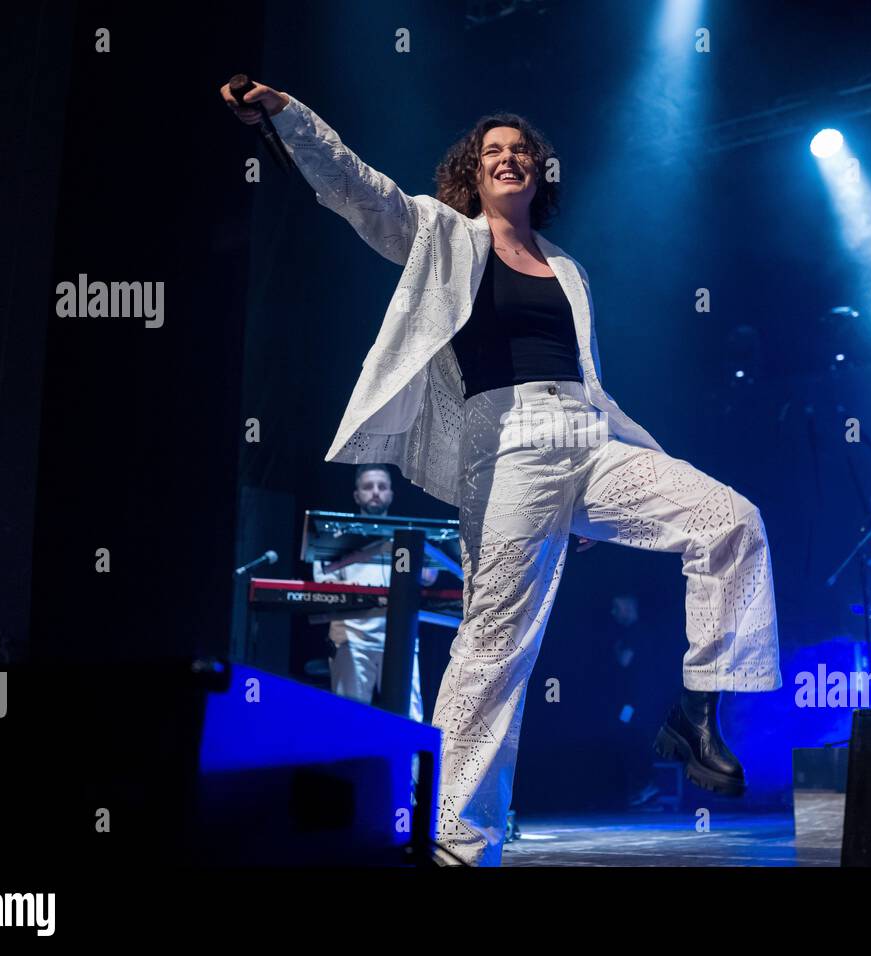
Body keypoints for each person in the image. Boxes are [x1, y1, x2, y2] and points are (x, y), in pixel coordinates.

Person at [222, 81, 782, 866]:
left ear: (540, 172)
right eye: (494, 153)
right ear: (473, 175)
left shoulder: (570, 270)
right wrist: (288, 117)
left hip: (588, 438)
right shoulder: (444, 236)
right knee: (494, 643)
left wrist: (645, 468)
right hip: (507, 445)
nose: (510, 159)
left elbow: (594, 387)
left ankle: (695, 715)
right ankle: (452, 827)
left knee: (731, 519)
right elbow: (357, 187)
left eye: (522, 151)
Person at [311, 464, 435, 722]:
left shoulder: (408, 538)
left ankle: (408, 764)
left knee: (410, 719)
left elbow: (429, 576)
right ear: (357, 495)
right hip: (352, 640)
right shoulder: (337, 535)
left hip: (400, 638)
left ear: (391, 494)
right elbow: (324, 582)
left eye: (382, 487)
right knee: (348, 721)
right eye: (368, 487)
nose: (375, 492)